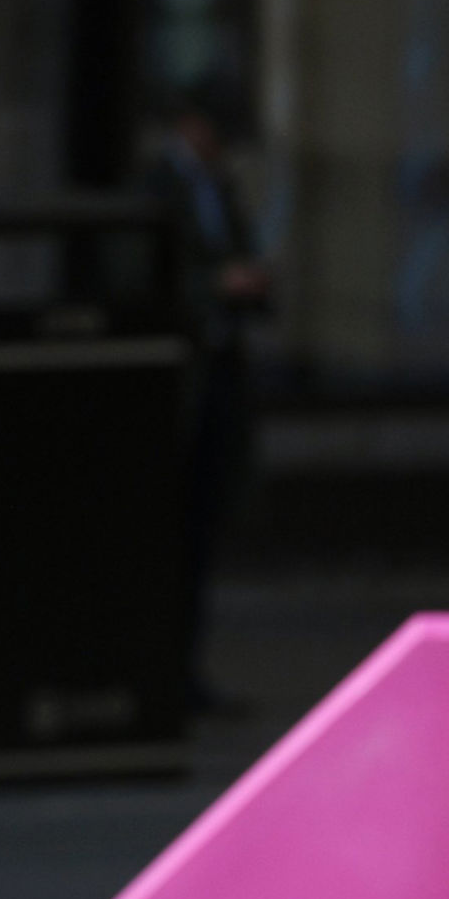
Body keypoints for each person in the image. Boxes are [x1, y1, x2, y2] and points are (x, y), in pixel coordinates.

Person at [144, 82, 275, 717]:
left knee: (202, 524)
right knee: (166, 533)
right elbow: (141, 271)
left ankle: (186, 670)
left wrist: (249, 283)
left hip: (219, 372)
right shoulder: (158, 183)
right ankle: (160, 669)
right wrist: (213, 285)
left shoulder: (218, 186)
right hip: (178, 379)